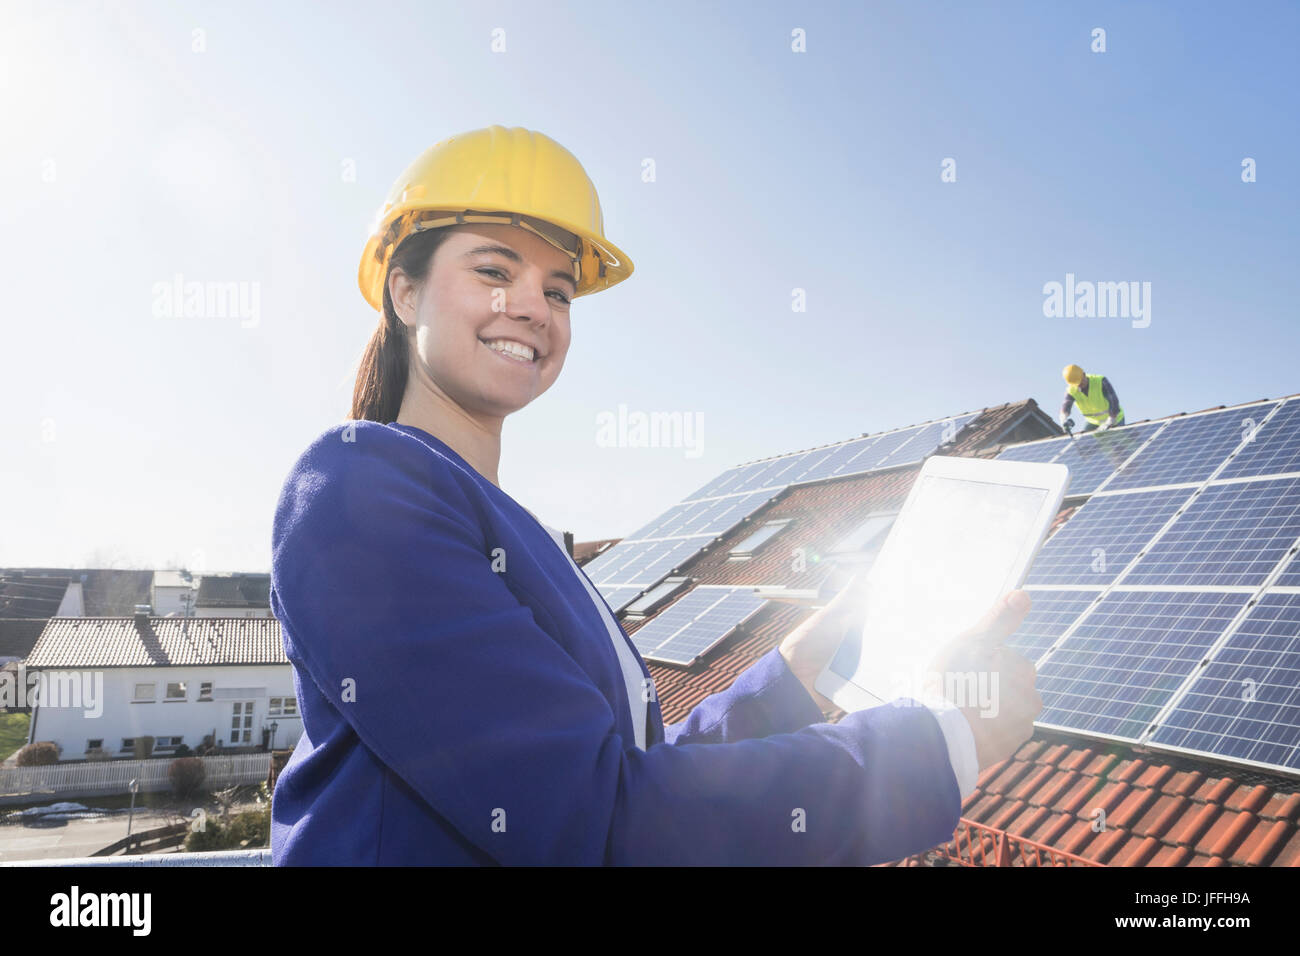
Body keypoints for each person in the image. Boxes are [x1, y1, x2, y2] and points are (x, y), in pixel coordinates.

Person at [268, 125, 1042, 865]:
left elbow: (625, 772)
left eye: (560, 290)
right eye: (494, 272)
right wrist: (939, 745)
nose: (534, 308)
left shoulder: (516, 533)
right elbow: (599, 825)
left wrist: (793, 678)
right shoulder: (357, 489)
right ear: (404, 292)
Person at [1059, 364, 1126, 433]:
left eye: (1080, 382)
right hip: (1093, 422)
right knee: (1083, 440)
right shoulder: (1071, 390)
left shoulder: (1100, 381)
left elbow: (1114, 402)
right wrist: (1063, 420)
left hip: (1114, 418)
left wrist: (1109, 422)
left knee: (1118, 440)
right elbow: (1066, 406)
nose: (1079, 385)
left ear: (1084, 375)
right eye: (1077, 384)